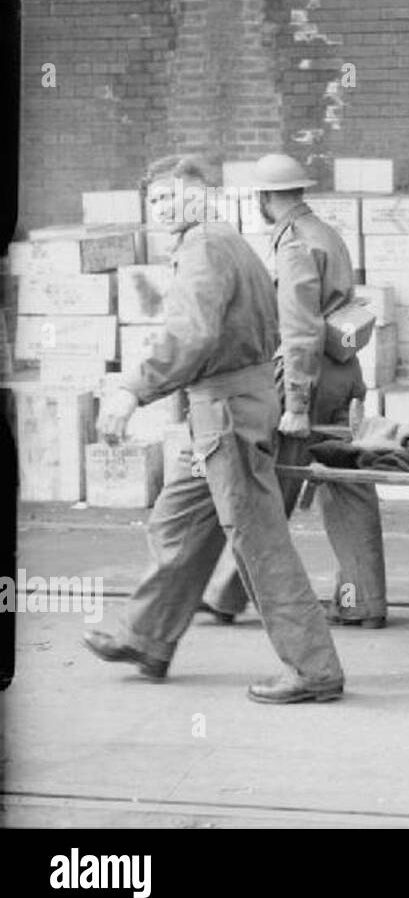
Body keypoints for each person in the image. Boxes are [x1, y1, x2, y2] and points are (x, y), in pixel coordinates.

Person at [83, 153, 346, 704]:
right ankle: (147, 637)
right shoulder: (223, 240)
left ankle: (314, 669)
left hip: (228, 412)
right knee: (177, 519)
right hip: (224, 408)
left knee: (259, 541)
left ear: (195, 195)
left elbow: (192, 334)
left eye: (166, 197)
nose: (157, 209)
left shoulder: (204, 247)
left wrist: (133, 390)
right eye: (151, 199)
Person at [201, 153, 388, 628]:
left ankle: (228, 593)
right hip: (342, 373)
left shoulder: (295, 246)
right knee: (346, 487)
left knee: (267, 485)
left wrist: (298, 404)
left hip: (309, 378)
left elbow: (301, 329)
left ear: (265, 198)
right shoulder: (326, 233)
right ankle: (363, 599)